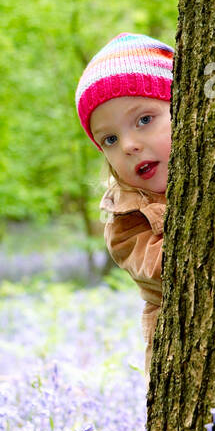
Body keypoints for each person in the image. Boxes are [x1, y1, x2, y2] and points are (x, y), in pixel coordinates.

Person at [75, 32, 174, 374]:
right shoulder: (124, 220)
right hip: (181, 350)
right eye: (110, 139)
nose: (129, 145)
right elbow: (161, 267)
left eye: (144, 120)